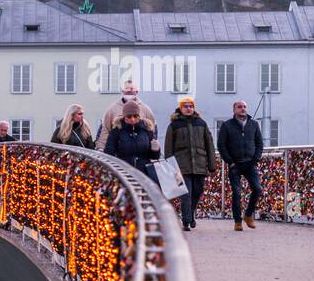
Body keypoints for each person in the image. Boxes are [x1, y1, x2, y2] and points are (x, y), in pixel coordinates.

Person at [164, 96, 216, 232]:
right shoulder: (174, 125)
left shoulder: (201, 123)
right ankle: (186, 221)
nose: (188, 108)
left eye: (190, 106)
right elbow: (168, 147)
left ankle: (190, 213)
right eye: (185, 106)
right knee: (186, 193)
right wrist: (170, 167)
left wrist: (211, 164)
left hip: (199, 163)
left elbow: (209, 144)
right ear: (181, 109)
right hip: (181, 164)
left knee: (198, 191)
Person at [217, 99, 263, 231]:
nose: (242, 109)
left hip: (250, 164)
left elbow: (259, 144)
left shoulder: (254, 124)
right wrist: (230, 162)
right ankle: (237, 221)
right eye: (239, 107)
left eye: (244, 107)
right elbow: (221, 145)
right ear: (234, 110)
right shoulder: (227, 125)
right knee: (237, 192)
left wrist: (255, 159)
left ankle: (248, 215)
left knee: (257, 189)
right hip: (235, 164)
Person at [104, 101, 161, 186]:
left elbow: (154, 156)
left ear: (139, 116)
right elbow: (109, 153)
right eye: (129, 116)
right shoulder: (117, 131)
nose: (132, 119)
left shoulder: (147, 129)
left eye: (135, 116)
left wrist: (156, 150)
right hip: (124, 173)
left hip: (144, 173)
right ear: (124, 116)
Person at [96, 82, 157, 150]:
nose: (129, 91)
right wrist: (101, 148)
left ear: (137, 91)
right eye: (126, 89)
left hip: (141, 154)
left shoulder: (146, 110)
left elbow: (152, 130)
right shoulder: (112, 110)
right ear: (122, 91)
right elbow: (105, 130)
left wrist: (153, 150)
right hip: (119, 155)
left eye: (132, 89)